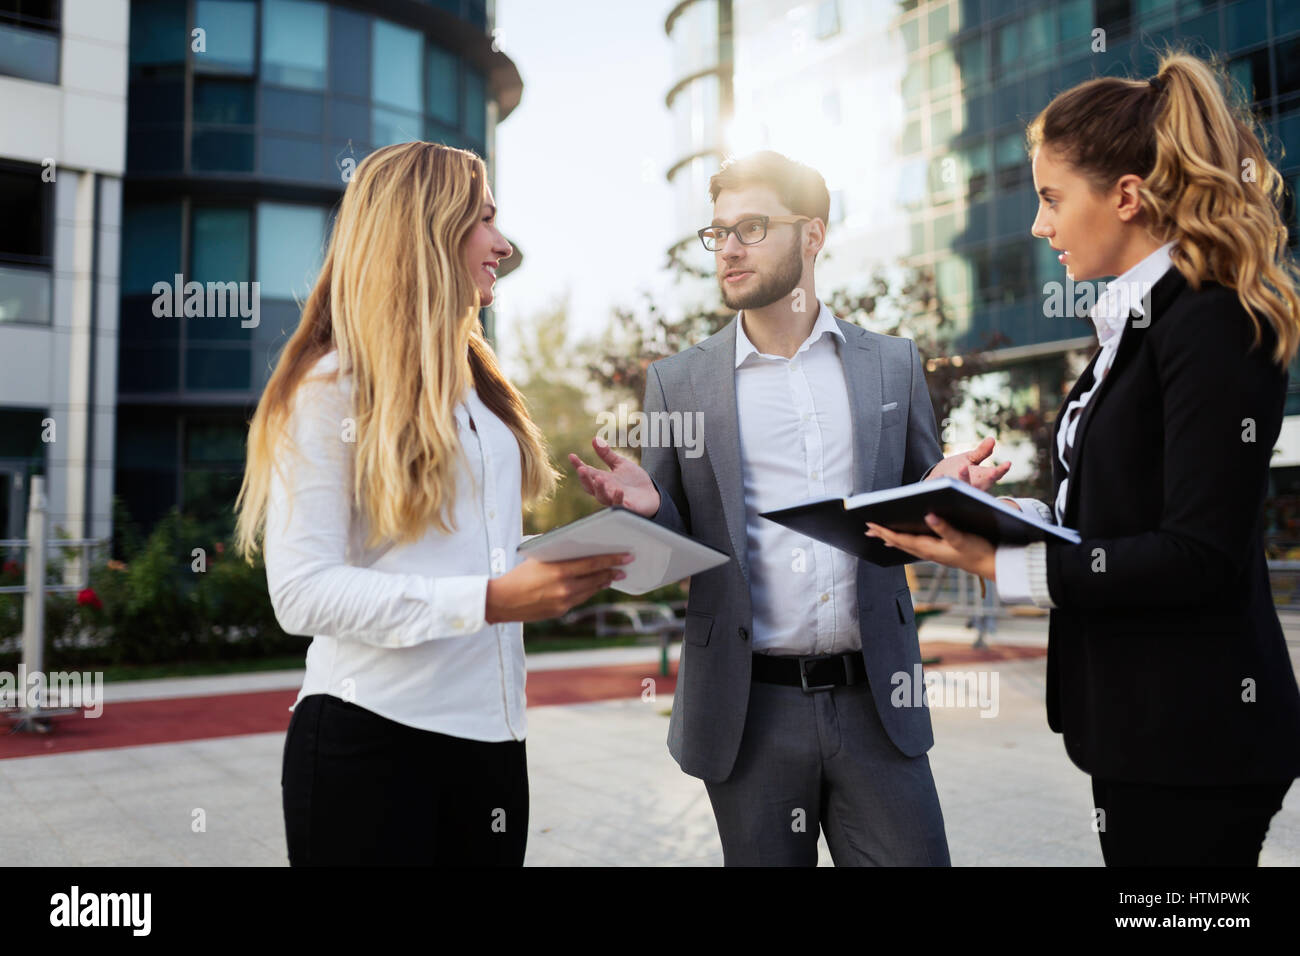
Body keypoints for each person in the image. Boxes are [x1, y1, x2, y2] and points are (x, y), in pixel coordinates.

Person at [865, 52, 1300, 866]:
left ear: (1127, 196)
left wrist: (1001, 566)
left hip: (1197, 742)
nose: (1039, 225)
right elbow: (1106, 517)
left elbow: (1197, 554)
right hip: (1139, 731)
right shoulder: (1132, 327)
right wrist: (1000, 513)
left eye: (1052, 198)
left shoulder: (1209, 322)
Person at [569, 150, 1007, 866]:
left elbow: (917, 514)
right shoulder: (678, 384)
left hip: (877, 704)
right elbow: (664, 560)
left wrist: (949, 494)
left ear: (812, 235)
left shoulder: (893, 365)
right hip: (748, 714)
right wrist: (647, 514)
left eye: (751, 227)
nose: (729, 250)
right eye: (718, 233)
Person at [233, 142, 630, 866]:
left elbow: (478, 554)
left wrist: (626, 524)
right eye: (483, 220)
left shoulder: (481, 388)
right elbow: (301, 593)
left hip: (495, 747)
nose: (503, 245)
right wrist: (487, 599)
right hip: (373, 745)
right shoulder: (329, 389)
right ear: (426, 230)